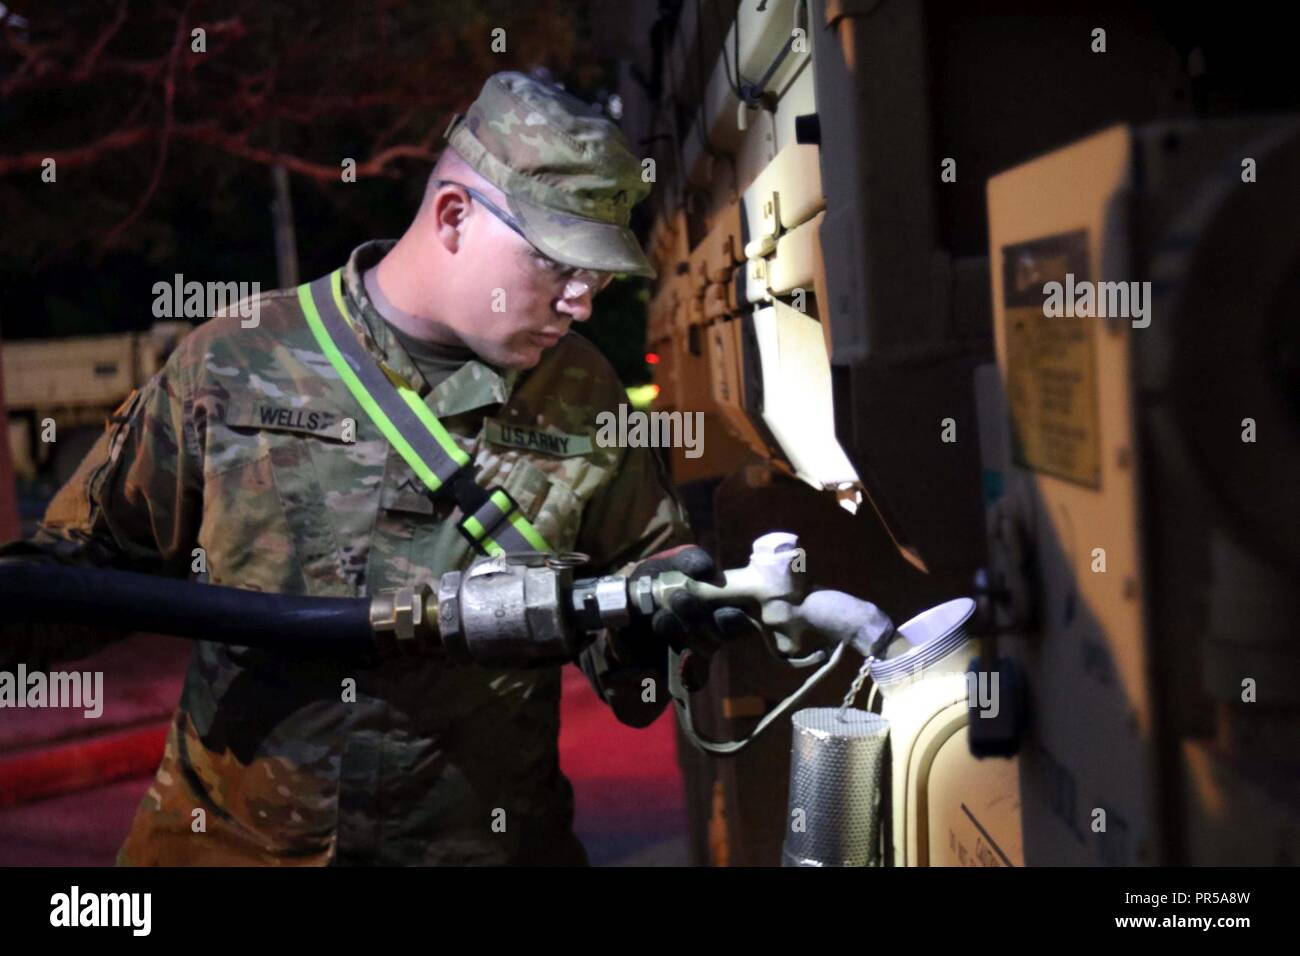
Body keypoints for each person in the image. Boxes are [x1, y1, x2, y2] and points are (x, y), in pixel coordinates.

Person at [0, 70, 729, 866]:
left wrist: (667, 625)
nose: (582, 303)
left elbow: (633, 656)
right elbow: (82, 574)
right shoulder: (238, 360)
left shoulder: (587, 398)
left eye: (598, 279)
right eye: (560, 266)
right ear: (454, 216)